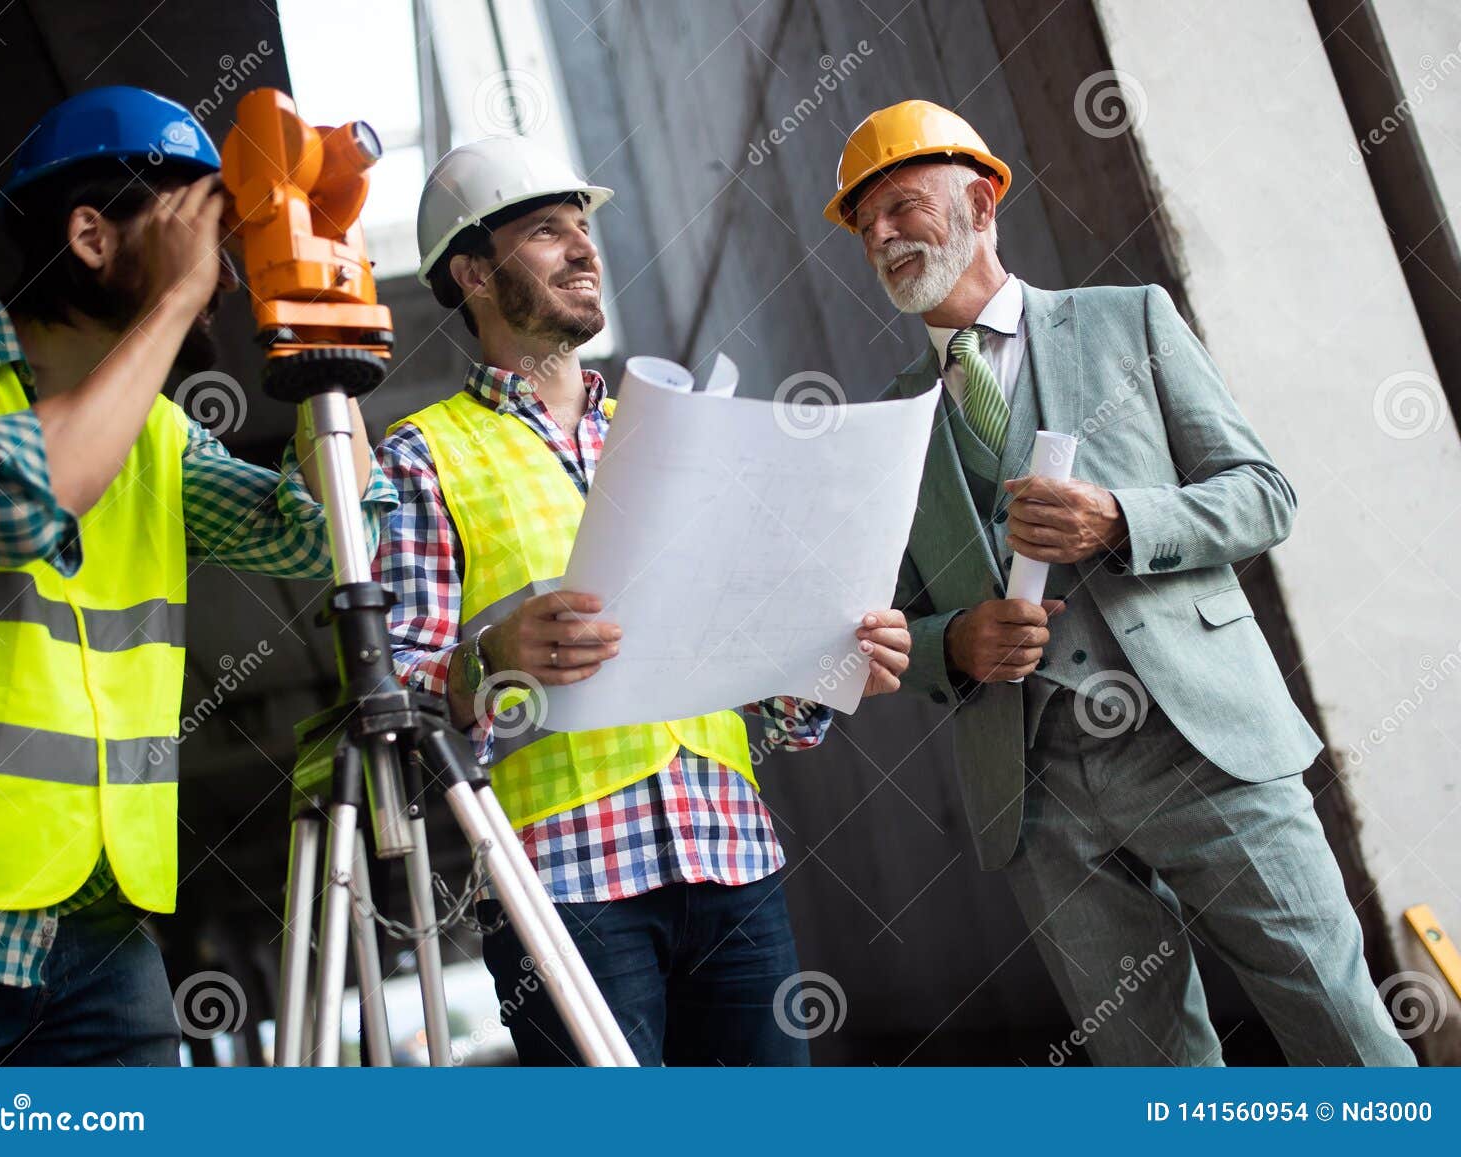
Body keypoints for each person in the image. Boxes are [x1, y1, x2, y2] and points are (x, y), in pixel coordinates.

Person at [829, 99, 1413, 1065]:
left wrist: (1122, 518)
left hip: (1200, 743)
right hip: (1036, 793)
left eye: (900, 205)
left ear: (980, 200)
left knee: (1341, 1028)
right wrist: (953, 645)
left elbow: (1264, 495)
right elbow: (884, 622)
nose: (882, 236)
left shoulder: (1127, 319)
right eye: (865, 226)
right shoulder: (885, 421)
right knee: (1155, 1077)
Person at [0, 86, 396, 1066]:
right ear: (92, 236)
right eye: (200, 230)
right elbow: (11, 497)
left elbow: (328, 539)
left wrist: (324, 323)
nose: (223, 274)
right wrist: (175, 299)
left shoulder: (157, 432)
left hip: (99, 935)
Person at [377, 135, 911, 1065]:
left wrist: (830, 663)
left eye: (585, 230)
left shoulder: (668, 437)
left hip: (731, 855)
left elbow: (766, 702)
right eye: (548, 232)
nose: (585, 250)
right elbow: (392, 700)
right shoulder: (424, 456)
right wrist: (488, 660)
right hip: (563, 884)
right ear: (470, 271)